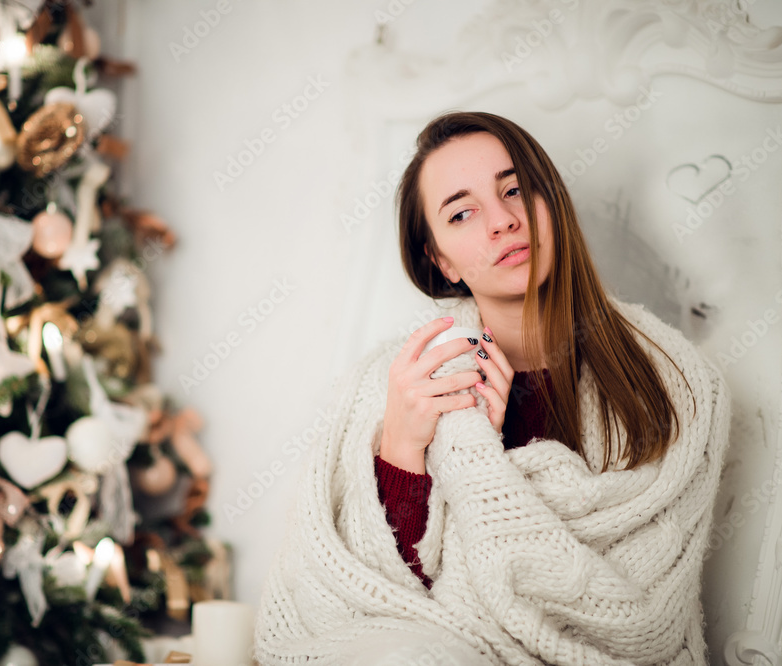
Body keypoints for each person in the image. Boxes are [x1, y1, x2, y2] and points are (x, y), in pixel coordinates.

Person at [254, 112, 731, 665]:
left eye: (516, 190)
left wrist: (495, 453)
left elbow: (644, 622)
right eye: (462, 213)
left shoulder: (676, 384)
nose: (503, 221)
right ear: (441, 260)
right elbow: (368, 603)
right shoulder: (393, 385)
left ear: (552, 203)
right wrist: (403, 453)